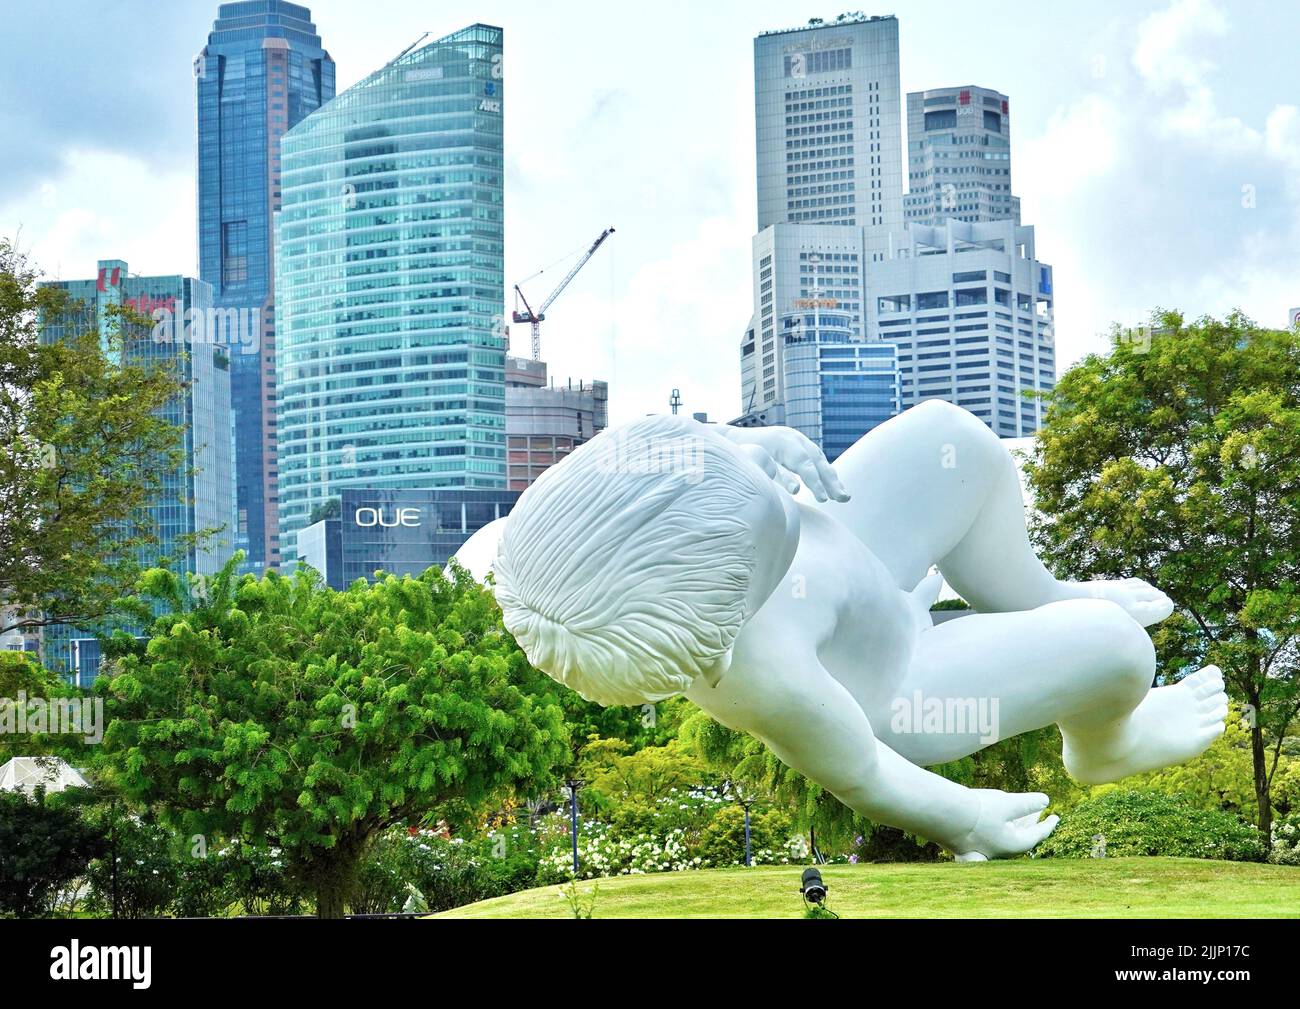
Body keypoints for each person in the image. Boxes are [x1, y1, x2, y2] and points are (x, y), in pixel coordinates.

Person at [480, 402, 1227, 860]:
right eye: (767, 524)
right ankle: (1104, 743)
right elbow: (861, 769)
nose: (778, 492)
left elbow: (711, 452)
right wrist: (966, 818)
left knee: (954, 440)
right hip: (907, 678)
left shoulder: (682, 485)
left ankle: (1038, 595)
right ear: (724, 624)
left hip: (860, 550)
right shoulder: (758, 675)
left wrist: (755, 444)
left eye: (749, 487)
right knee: (1120, 646)